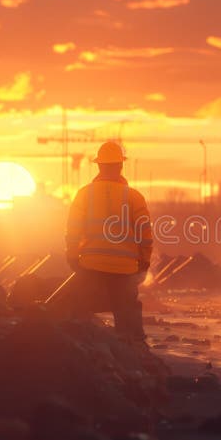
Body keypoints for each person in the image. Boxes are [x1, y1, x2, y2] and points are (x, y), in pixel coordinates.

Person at [64, 141, 152, 340]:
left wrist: (72, 255)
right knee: (127, 311)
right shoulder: (134, 197)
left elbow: (73, 229)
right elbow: (145, 234)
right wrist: (144, 260)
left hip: (91, 265)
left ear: (99, 166)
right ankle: (134, 346)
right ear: (120, 166)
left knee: (81, 310)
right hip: (124, 269)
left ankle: (84, 345)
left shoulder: (84, 194)